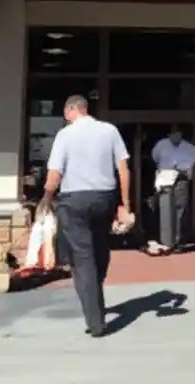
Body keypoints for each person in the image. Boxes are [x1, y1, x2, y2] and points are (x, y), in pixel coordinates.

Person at [37, 95, 133, 337]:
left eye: (65, 113)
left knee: (82, 259)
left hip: (74, 200)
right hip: (104, 198)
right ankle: (95, 290)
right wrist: (125, 203)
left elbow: (55, 173)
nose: (64, 118)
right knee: (100, 250)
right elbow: (123, 168)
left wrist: (46, 200)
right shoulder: (109, 130)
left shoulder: (65, 135)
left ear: (72, 110)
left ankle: (96, 321)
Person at [148, 124, 195, 254]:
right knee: (165, 209)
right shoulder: (161, 145)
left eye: (178, 133)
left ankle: (178, 241)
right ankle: (166, 240)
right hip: (165, 178)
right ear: (169, 134)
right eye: (173, 133)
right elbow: (155, 157)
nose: (176, 136)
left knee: (180, 209)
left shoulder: (188, 147)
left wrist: (185, 167)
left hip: (181, 178)